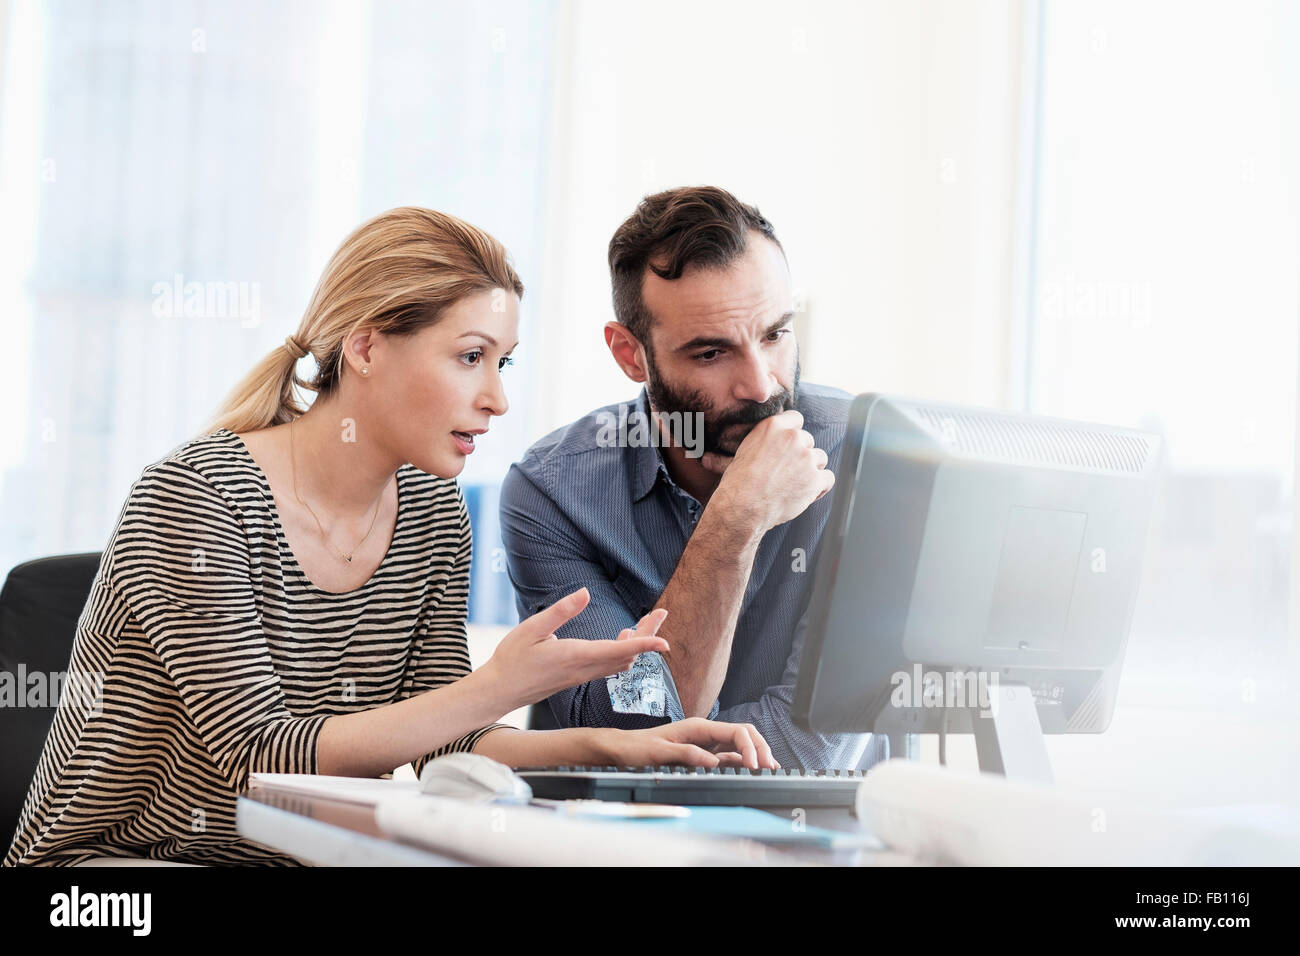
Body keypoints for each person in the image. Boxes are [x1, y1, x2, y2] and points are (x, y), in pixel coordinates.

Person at [4, 206, 776, 867]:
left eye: (503, 362)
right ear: (367, 347)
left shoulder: (434, 516)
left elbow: (446, 738)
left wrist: (611, 749)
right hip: (104, 871)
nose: (499, 398)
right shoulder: (195, 498)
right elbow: (259, 758)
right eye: (471, 357)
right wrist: (500, 683)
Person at [500, 186, 884, 770]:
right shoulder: (553, 492)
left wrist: (651, 749)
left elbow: (814, 749)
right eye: (711, 353)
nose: (760, 385)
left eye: (775, 334)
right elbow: (635, 726)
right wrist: (735, 519)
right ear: (631, 354)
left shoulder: (867, 453)